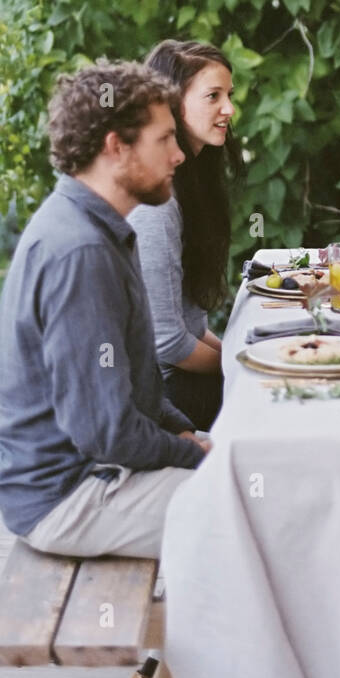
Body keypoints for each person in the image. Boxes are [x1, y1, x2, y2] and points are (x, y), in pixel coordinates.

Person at [0, 61, 209, 563]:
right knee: (255, 512)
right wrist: (193, 454)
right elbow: (105, 431)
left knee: (263, 473)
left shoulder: (100, 226)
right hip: (66, 496)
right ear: (116, 146)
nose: (178, 155)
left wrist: (183, 432)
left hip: (89, 471)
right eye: (164, 139)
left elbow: (136, 390)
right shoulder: (82, 251)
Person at [127, 40, 239, 432]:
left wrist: (239, 363)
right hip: (155, 394)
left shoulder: (192, 184)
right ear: (173, 104)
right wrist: (242, 371)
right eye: (214, 96)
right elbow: (168, 344)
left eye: (229, 95)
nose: (229, 109)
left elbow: (191, 324)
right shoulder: (157, 206)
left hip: (176, 377)